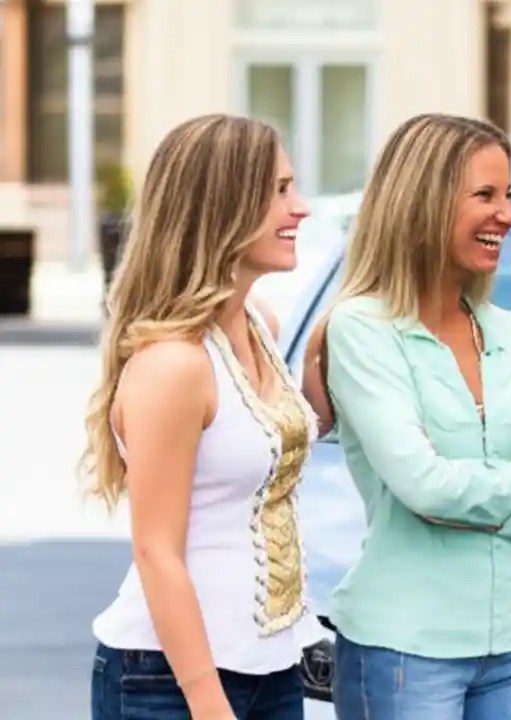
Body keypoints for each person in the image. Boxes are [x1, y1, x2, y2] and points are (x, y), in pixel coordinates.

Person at [300, 113, 511, 720]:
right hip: (405, 649)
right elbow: (421, 486)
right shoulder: (361, 330)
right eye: (485, 195)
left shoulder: (508, 331)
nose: (507, 214)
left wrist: (465, 507)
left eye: (508, 195)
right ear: (423, 205)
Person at [81, 113, 323, 720]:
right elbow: (157, 550)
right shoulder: (175, 365)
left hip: (272, 668)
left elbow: (268, 455)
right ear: (222, 207)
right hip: (171, 681)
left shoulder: (259, 325)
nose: (302, 208)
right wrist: (207, 701)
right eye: (279, 191)